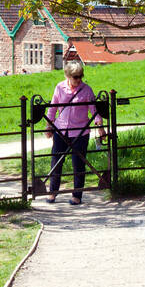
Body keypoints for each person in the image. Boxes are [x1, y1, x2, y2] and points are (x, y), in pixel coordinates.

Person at [45, 58, 105, 205]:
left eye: (80, 76)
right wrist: (48, 125)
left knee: (78, 163)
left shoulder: (87, 90)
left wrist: (100, 126)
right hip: (61, 131)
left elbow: (94, 111)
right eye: (75, 77)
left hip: (80, 132)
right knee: (56, 162)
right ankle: (53, 192)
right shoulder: (59, 88)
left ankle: (77, 196)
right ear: (67, 76)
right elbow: (53, 108)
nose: (78, 80)